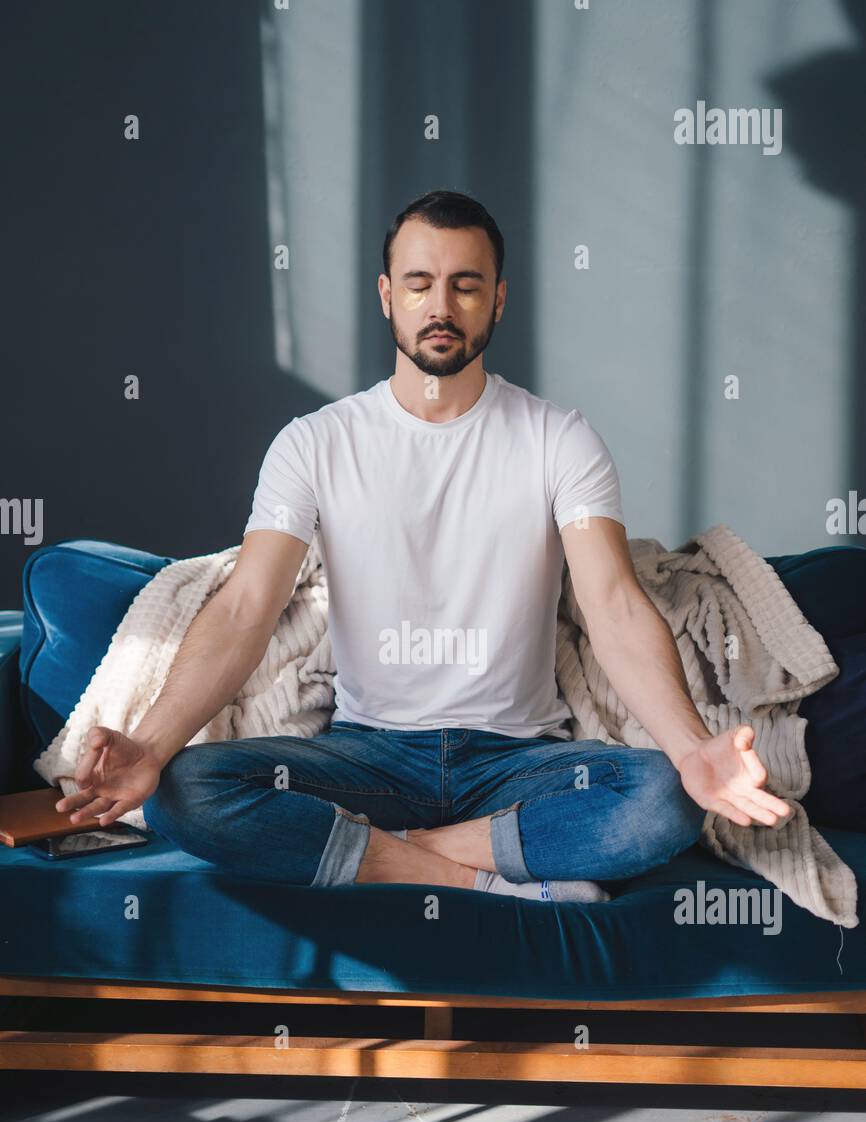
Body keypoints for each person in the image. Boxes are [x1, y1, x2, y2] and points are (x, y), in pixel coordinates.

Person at [54, 190, 790, 902]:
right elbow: (247, 607)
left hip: (518, 761)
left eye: (465, 286)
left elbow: (614, 604)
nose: (440, 306)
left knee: (665, 798)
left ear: (498, 300)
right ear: (387, 295)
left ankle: (390, 851)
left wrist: (695, 752)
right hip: (366, 757)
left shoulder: (560, 438)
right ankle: (478, 877)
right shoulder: (315, 443)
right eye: (420, 284)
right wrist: (148, 750)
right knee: (186, 791)